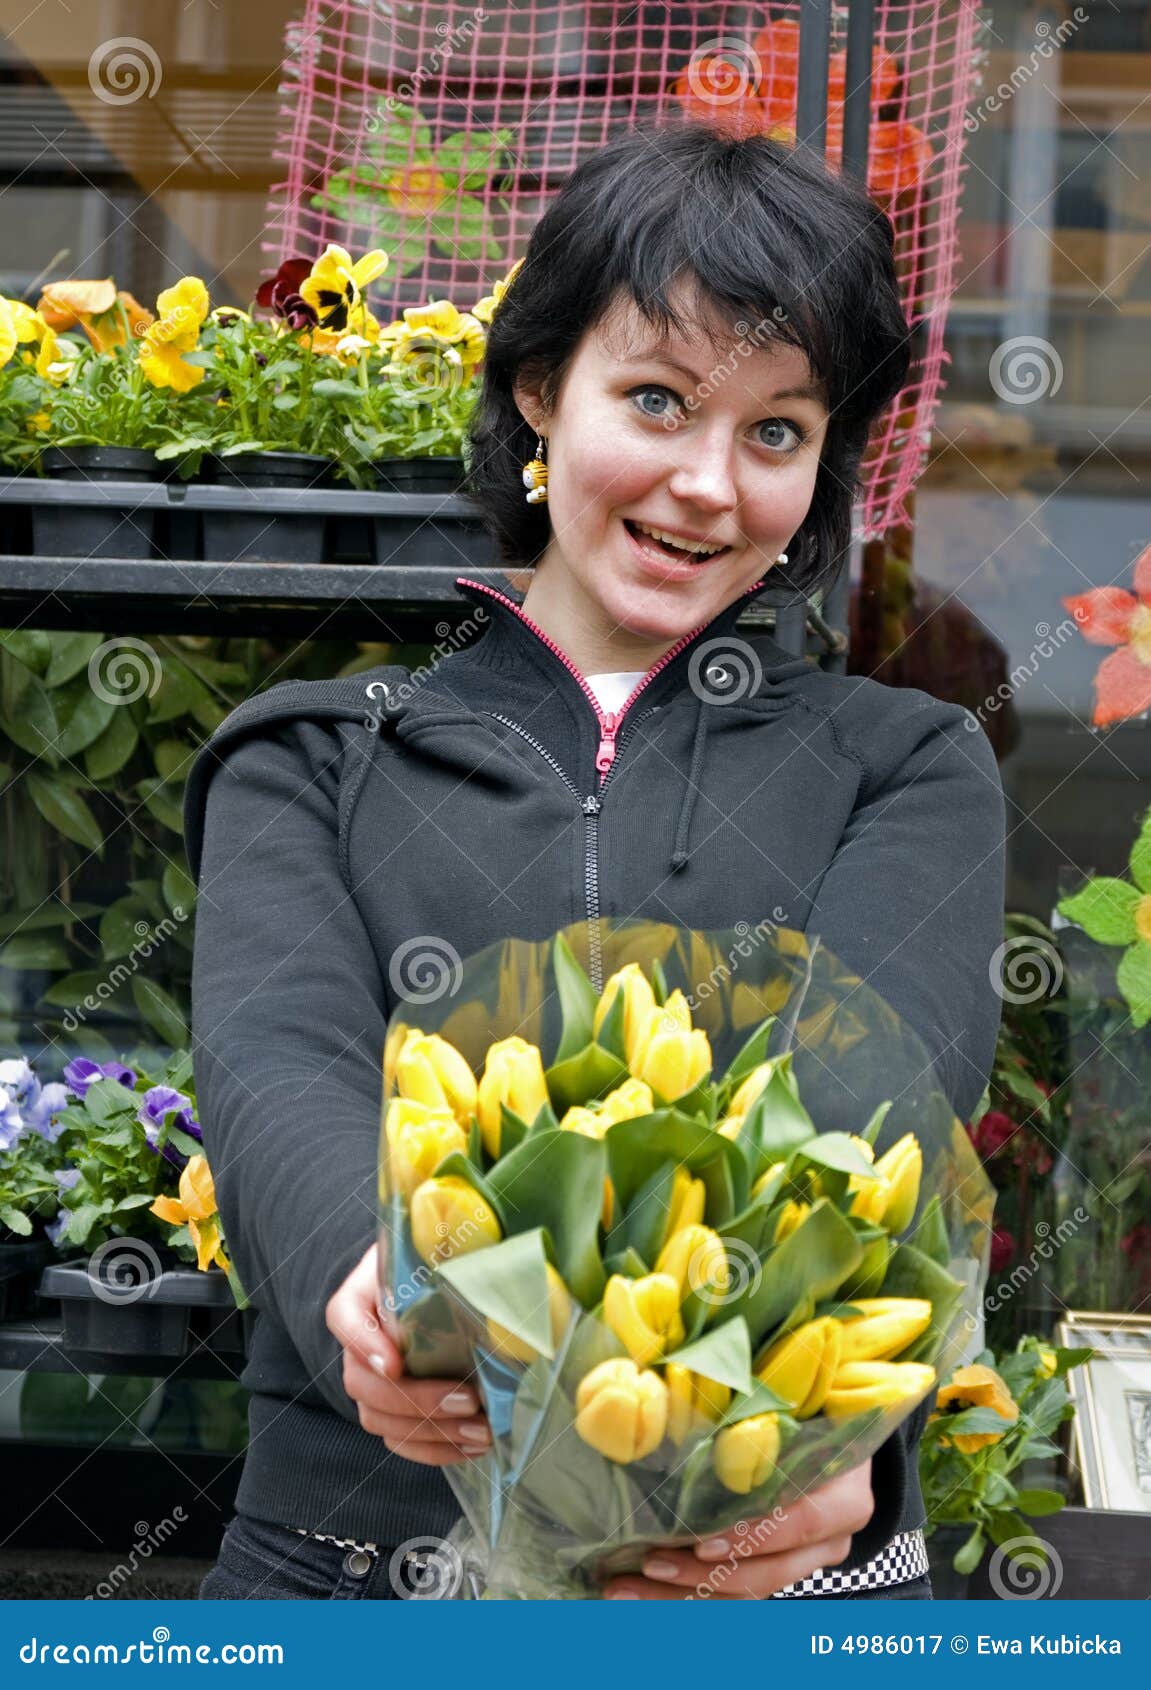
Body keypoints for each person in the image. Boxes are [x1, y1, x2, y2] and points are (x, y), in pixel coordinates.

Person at [184, 125, 1005, 1600]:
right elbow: (281, 1078)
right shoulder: (310, 757)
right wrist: (371, 1301)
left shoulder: (910, 764)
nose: (707, 483)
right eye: (657, 399)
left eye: (776, 432)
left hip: (768, 1555)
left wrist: (813, 1454)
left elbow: (879, 1114)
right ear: (538, 389)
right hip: (371, 1554)